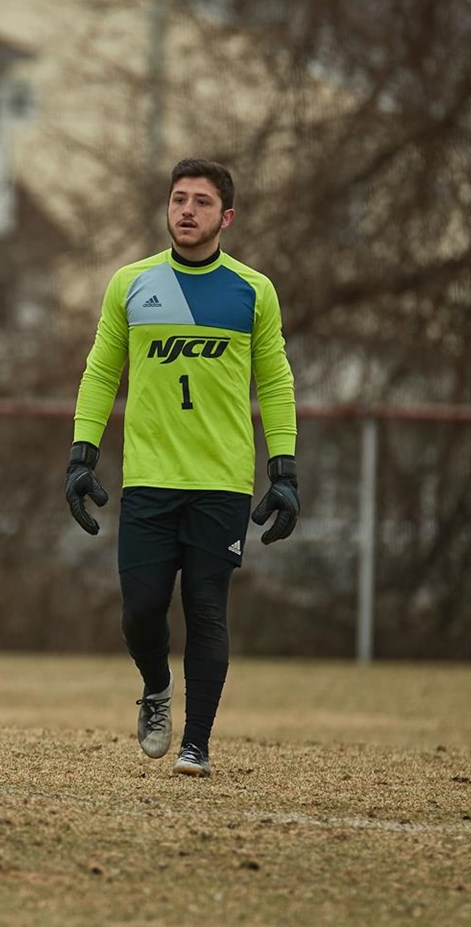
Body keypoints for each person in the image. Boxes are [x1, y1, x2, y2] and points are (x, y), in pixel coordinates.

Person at [64, 157, 300, 777]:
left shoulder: (253, 290)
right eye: (178, 199)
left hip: (221, 481)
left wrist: (284, 471)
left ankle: (196, 744)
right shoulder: (130, 284)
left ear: (227, 217)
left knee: (206, 608)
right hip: (148, 478)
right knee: (141, 608)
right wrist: (81, 456)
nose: (187, 210)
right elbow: (100, 372)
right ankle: (156, 687)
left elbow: (275, 381)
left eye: (201, 201)